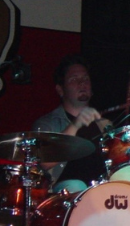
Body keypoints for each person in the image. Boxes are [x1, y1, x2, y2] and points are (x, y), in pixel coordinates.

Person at [32, 54, 112, 193]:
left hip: (101, 193)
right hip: (62, 197)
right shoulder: (47, 123)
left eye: (85, 79)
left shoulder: (105, 125)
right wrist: (75, 125)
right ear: (60, 90)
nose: (82, 83)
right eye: (74, 79)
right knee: (75, 186)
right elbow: (44, 162)